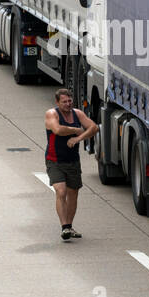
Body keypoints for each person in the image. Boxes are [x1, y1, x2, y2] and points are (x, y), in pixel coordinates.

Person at [44, 88, 98, 240]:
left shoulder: (77, 113)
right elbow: (58, 130)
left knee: (73, 194)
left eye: (70, 101)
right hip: (55, 160)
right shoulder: (51, 114)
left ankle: (69, 226)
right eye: (64, 102)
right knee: (61, 191)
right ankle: (64, 227)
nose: (68, 104)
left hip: (73, 161)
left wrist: (78, 138)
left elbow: (94, 127)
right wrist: (76, 129)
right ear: (57, 102)